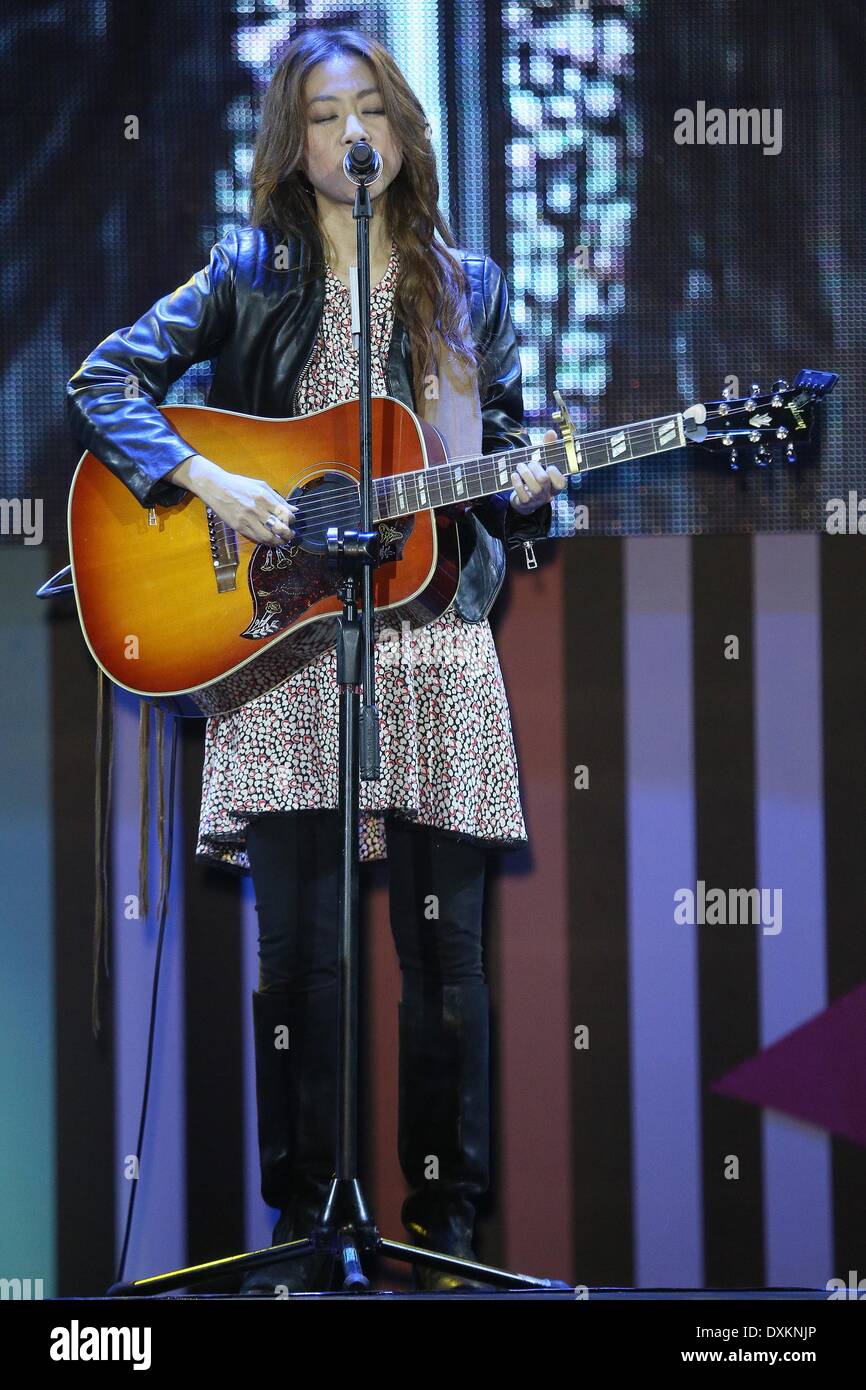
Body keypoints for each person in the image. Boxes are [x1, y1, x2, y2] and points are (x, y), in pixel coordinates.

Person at [66, 25, 566, 1294]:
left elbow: (507, 471)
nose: (355, 133)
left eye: (373, 110)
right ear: (295, 145)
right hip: (285, 645)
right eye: (326, 112)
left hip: (434, 642)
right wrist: (212, 481)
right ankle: (306, 1224)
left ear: (401, 132)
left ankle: (443, 1230)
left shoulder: (469, 289)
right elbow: (104, 378)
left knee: (443, 953)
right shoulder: (243, 269)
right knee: (300, 957)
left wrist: (535, 487)